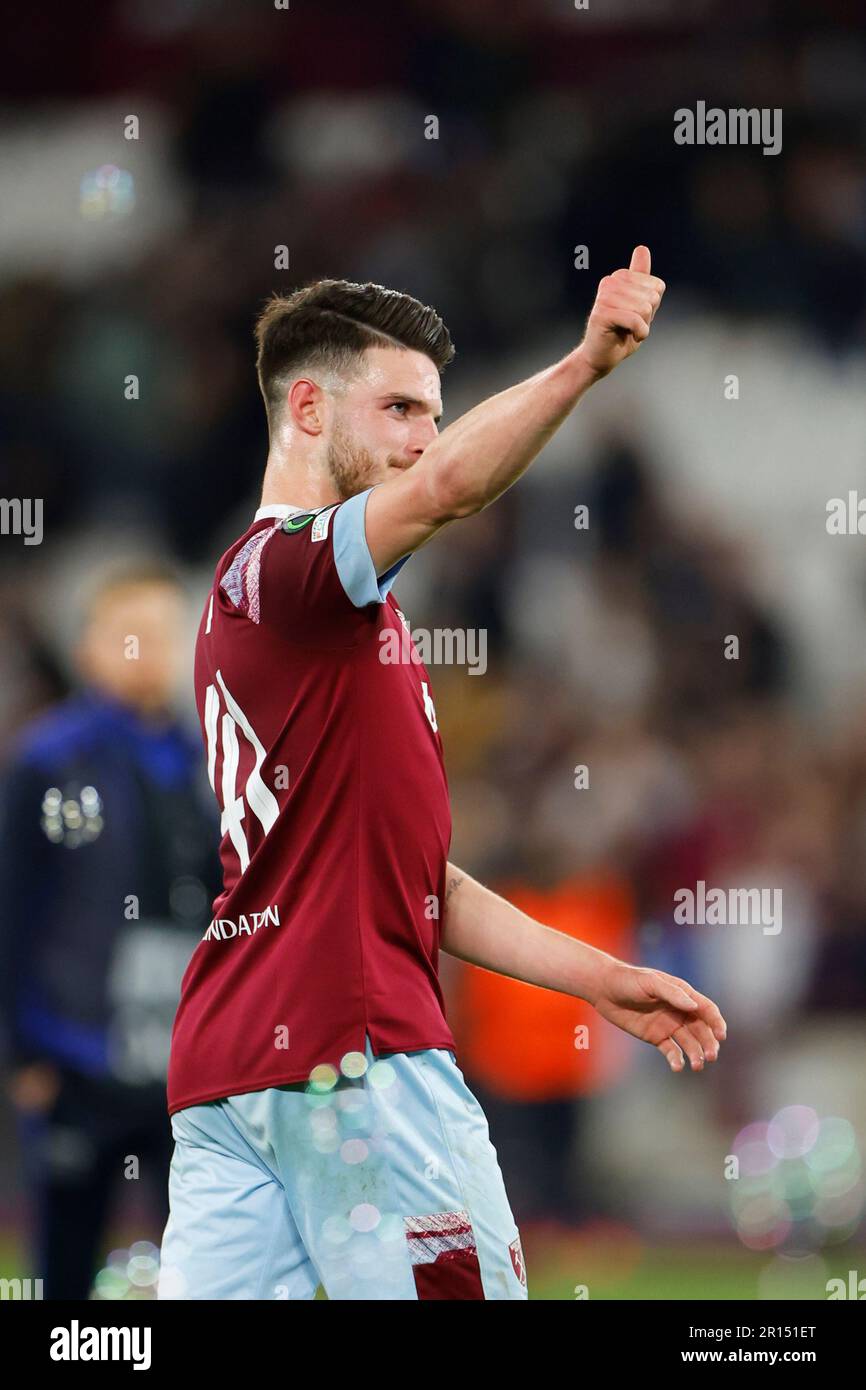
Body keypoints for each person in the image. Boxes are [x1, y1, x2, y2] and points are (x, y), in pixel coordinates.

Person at [159, 248, 727, 1302]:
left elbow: (419, 884)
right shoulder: (290, 576)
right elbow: (452, 488)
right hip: (353, 1057)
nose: (423, 438)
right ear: (311, 409)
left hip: (232, 1072)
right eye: (399, 408)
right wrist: (583, 366)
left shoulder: (296, 616)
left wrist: (599, 978)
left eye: (432, 411)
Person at [0, 564, 219, 1300]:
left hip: (188, 1057)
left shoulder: (210, 761)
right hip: (77, 1047)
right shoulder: (48, 760)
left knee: (201, 1259)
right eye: (128, 636)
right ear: (88, 648)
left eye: (161, 636)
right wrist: (21, 1049)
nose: (145, 653)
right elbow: (13, 905)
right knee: (65, 1256)